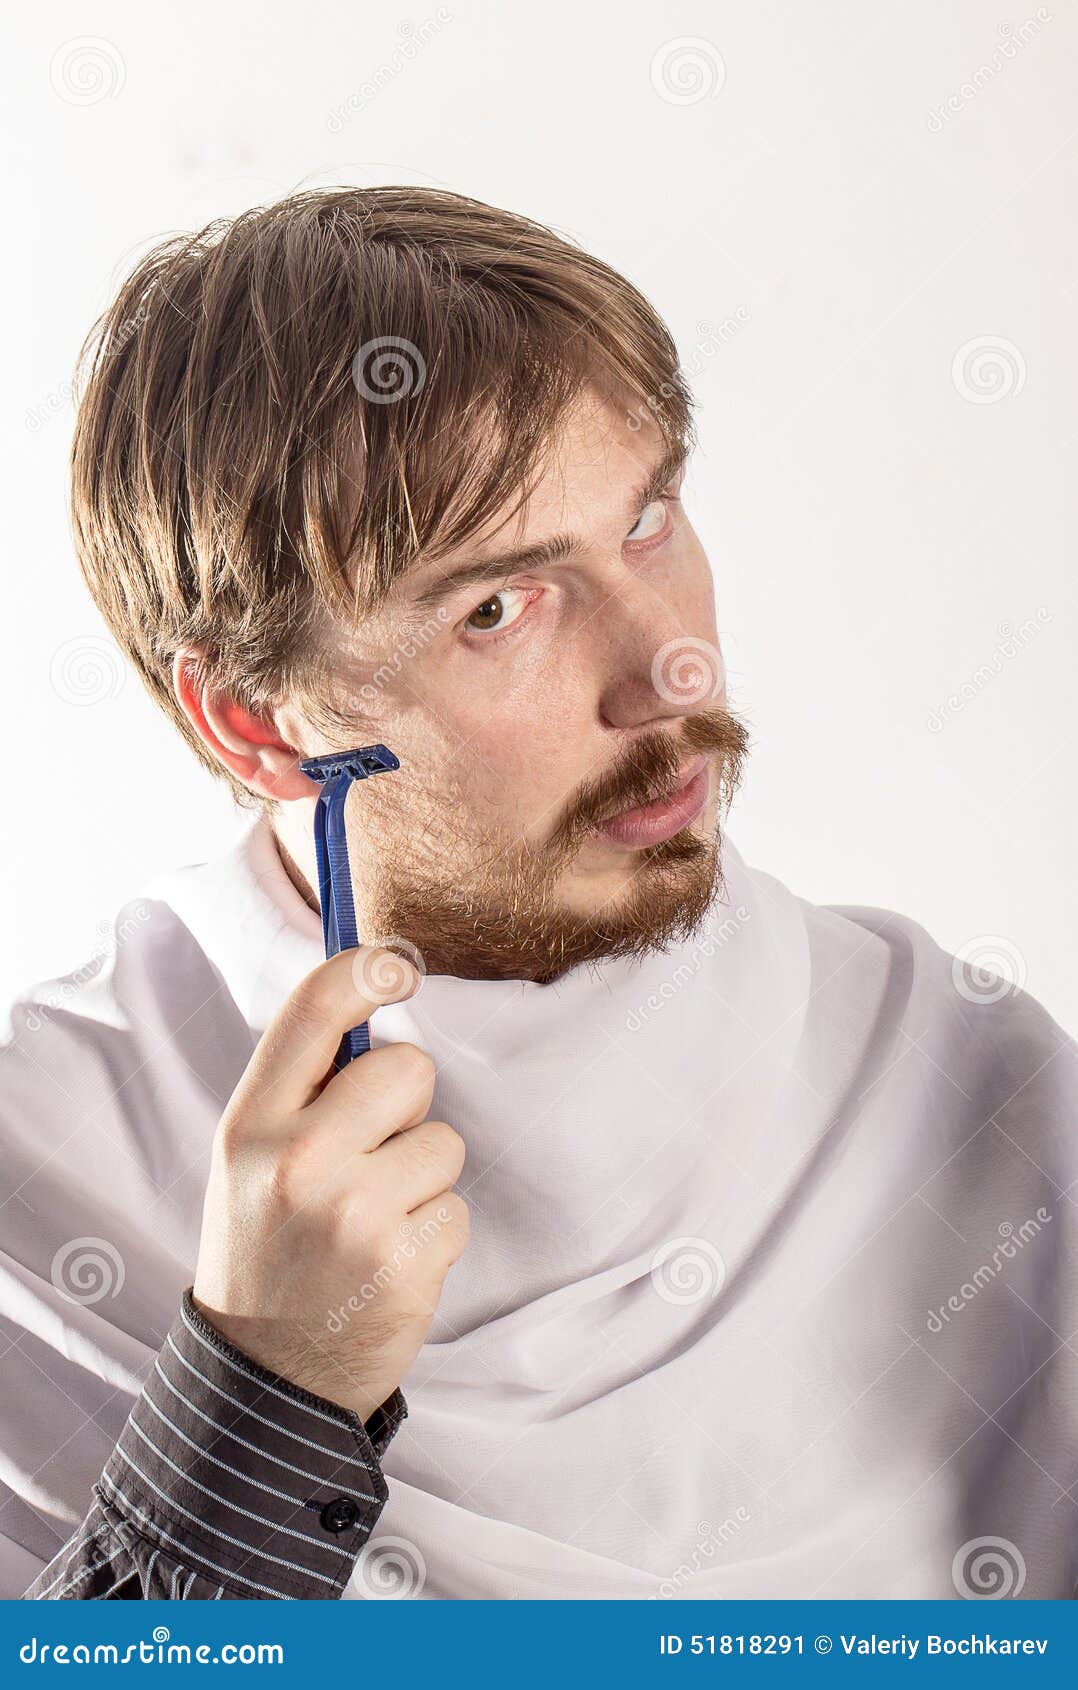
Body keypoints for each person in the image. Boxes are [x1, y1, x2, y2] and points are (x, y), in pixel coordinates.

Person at [5, 188, 1075, 1602]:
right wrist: (260, 1396)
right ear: (258, 725)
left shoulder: (969, 1076)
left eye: (644, 522)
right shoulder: (38, 1190)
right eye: (496, 608)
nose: (666, 670)